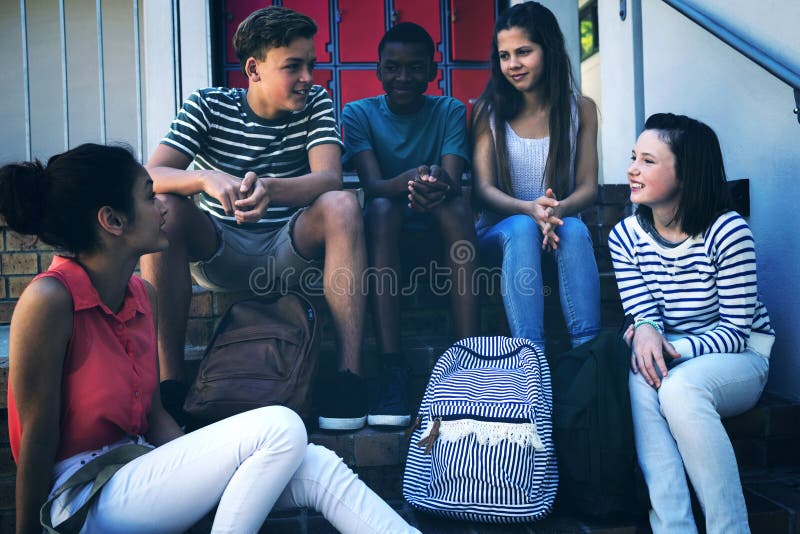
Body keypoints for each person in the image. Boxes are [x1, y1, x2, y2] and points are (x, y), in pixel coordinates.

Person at [0, 143, 420, 534]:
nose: (162, 207)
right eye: (148, 197)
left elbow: (154, 416)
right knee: (281, 426)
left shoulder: (142, 296)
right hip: (84, 494)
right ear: (112, 221)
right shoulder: (50, 299)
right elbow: (35, 438)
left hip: (141, 471)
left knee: (314, 465)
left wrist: (204, 471)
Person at [140, 6, 370, 431]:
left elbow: (329, 178)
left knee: (342, 204)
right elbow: (149, 176)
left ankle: (349, 377)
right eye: (293, 66)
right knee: (165, 207)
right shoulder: (207, 105)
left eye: (311, 65)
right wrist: (205, 178)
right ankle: (169, 385)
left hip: (287, 246)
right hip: (219, 247)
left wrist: (270, 188)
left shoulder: (316, 102)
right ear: (254, 69)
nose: (308, 78)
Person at [609, 113, 774, 533]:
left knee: (678, 388)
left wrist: (669, 349)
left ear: (686, 173)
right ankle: (673, 526)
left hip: (740, 356)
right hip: (675, 352)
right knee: (641, 376)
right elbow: (643, 312)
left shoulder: (728, 231)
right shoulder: (624, 237)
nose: (632, 169)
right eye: (633, 157)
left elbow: (736, 332)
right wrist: (645, 331)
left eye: (648, 161)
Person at [342, 22, 479, 427]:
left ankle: (469, 358)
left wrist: (433, 181)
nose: (403, 77)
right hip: (386, 236)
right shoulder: (358, 113)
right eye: (393, 67)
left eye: (416, 67)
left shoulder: (449, 109)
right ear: (378, 70)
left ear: (433, 71)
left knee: (456, 208)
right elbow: (372, 185)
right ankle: (391, 366)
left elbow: (452, 180)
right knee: (382, 209)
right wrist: (413, 181)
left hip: (440, 231)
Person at [471, 1, 601, 354]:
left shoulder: (581, 110)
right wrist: (530, 209)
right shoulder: (488, 112)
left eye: (523, 52)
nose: (512, 64)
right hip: (501, 234)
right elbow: (483, 189)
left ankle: (587, 354)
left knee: (575, 229)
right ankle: (531, 355)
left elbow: (588, 186)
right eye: (504, 55)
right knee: (521, 228)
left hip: (557, 228)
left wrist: (556, 211)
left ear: (549, 49)